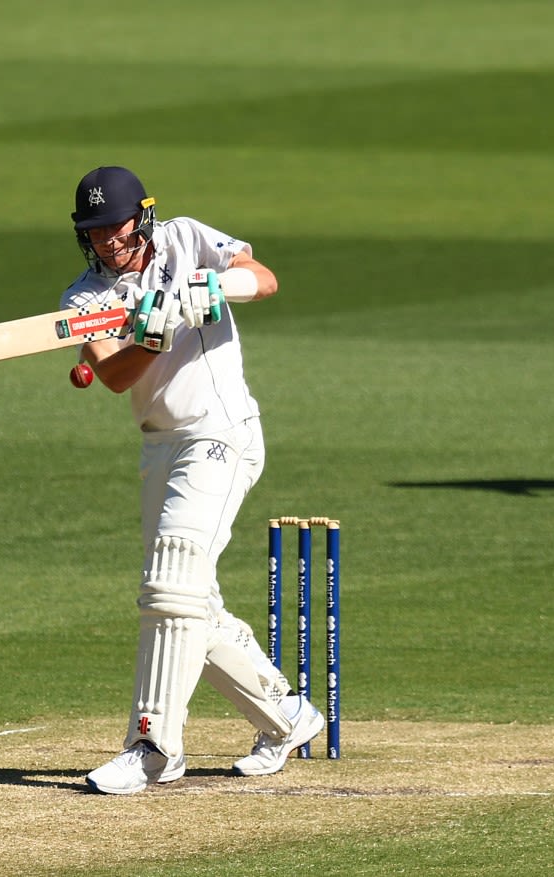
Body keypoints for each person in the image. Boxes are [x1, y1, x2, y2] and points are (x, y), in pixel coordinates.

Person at [60, 166, 324, 794]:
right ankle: (285, 714)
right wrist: (153, 337)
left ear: (141, 217)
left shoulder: (184, 240)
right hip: (161, 444)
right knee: (186, 601)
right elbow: (115, 375)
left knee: (169, 577)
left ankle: (152, 748)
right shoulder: (84, 297)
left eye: (112, 228)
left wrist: (214, 286)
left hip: (222, 433)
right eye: (91, 232)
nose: (103, 241)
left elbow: (265, 278)